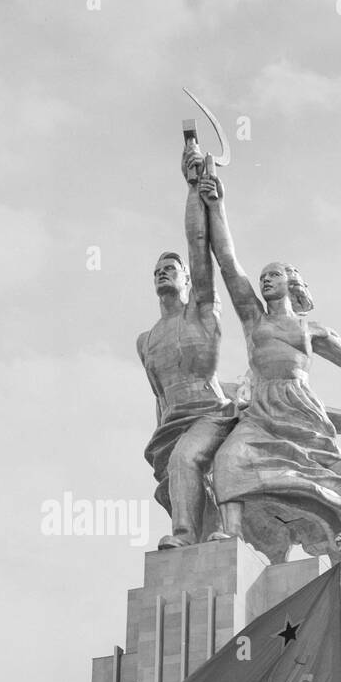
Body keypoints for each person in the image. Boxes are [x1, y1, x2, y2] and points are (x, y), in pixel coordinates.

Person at [198, 170, 341, 609]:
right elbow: (227, 262)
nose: (264, 280)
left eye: (273, 275)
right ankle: (229, 530)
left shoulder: (311, 330)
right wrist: (215, 204)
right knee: (229, 459)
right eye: (263, 276)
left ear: (291, 282)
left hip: (300, 413)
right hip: (262, 408)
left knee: (328, 486)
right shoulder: (253, 318)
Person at [136, 143, 236, 548]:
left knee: (185, 460)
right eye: (158, 270)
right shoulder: (146, 340)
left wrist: (193, 187)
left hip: (211, 412)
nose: (163, 274)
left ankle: (183, 536)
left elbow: (199, 245)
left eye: (171, 270)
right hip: (171, 422)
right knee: (182, 468)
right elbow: (158, 397)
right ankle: (211, 534)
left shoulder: (202, 312)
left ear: (188, 280)